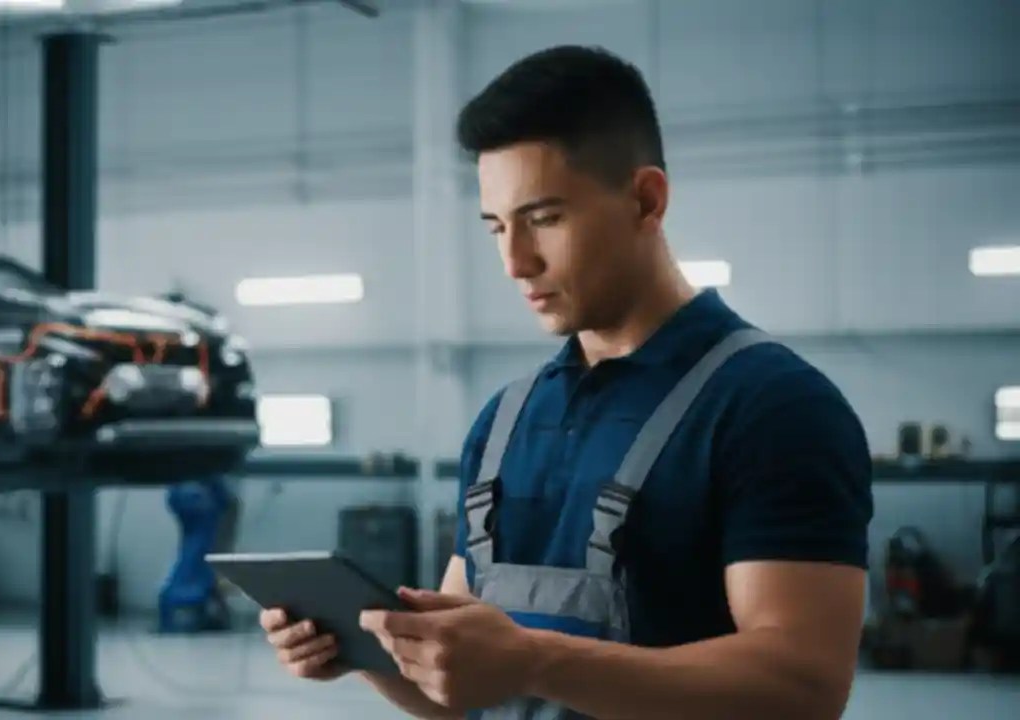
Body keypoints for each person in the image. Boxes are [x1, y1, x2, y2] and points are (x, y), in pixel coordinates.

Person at [261, 45, 873, 720]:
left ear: (645, 200)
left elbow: (803, 686)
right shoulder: (505, 422)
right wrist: (369, 652)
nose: (516, 262)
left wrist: (534, 658)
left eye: (545, 218)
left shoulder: (772, 407)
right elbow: (460, 697)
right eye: (497, 226)